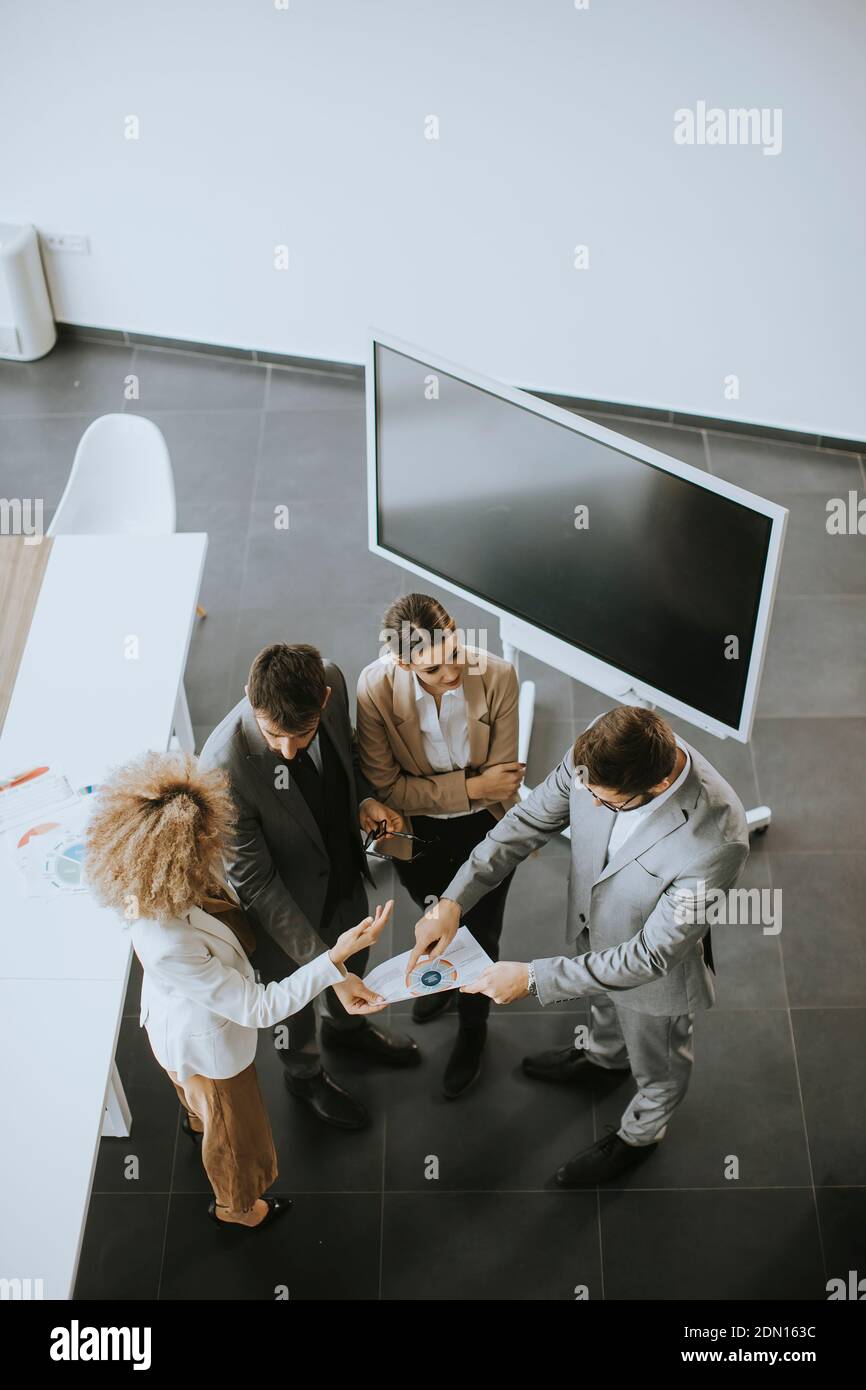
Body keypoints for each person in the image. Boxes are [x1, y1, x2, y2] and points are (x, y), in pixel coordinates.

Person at [407, 705, 750, 1183]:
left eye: (601, 800)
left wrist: (531, 979)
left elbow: (653, 954)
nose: (583, 799)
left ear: (650, 788)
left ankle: (642, 1131)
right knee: (604, 1007)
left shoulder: (716, 836)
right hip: (593, 931)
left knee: (660, 1062)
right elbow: (528, 821)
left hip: (655, 974)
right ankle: (605, 1059)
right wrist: (453, 900)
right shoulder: (599, 745)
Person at [84, 750, 393, 1229]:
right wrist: (334, 959)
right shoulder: (167, 939)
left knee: (199, 1108)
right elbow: (256, 1008)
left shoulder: (148, 878)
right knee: (236, 1137)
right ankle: (240, 1208)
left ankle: (194, 1120)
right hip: (207, 1046)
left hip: (178, 1026)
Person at [199, 642, 420, 1133]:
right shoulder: (221, 766)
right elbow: (256, 883)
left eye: (303, 734)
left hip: (340, 872)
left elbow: (350, 759)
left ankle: (347, 1029)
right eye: (274, 735)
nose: (287, 751)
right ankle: (305, 1075)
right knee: (294, 1010)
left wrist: (363, 799)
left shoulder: (335, 680)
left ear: (322, 698)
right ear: (249, 698)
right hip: (281, 912)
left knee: (355, 959)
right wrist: (324, 968)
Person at [356, 593, 524, 1096]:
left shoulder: (497, 676)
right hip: (417, 834)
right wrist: (471, 787)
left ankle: (474, 1028)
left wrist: (473, 792)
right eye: (433, 667)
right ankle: (447, 981)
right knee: (434, 919)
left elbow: (506, 781)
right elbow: (385, 788)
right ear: (402, 663)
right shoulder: (375, 689)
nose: (452, 672)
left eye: (454, 652)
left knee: (482, 932)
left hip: (485, 830)